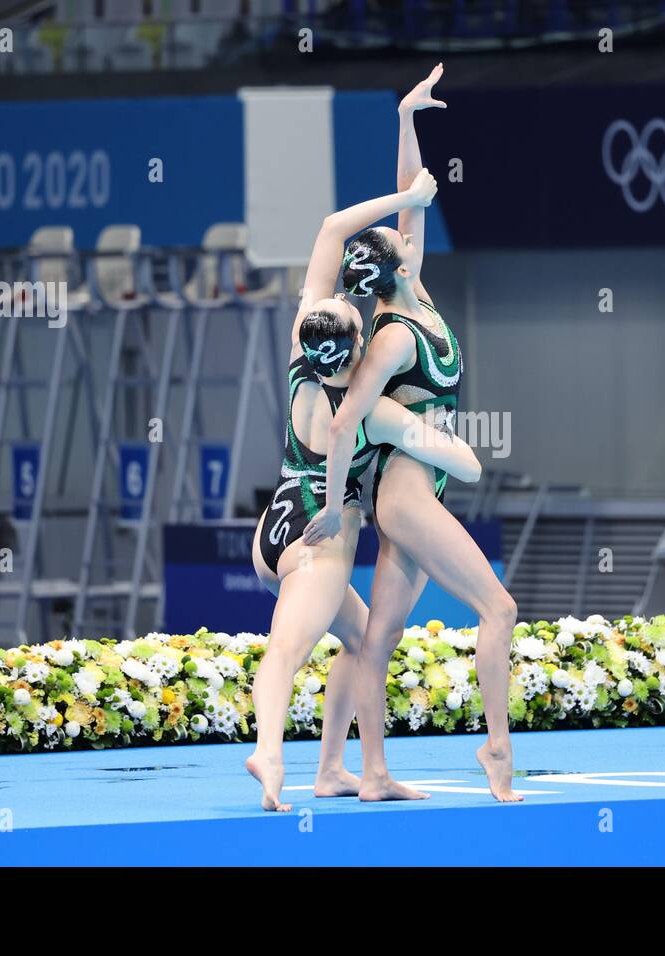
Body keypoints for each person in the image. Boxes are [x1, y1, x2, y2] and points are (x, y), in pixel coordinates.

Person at [302, 64, 522, 803]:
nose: (408, 233)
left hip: (414, 487)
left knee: (377, 640)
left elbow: (412, 193)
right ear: (392, 267)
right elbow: (341, 419)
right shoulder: (394, 335)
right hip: (402, 494)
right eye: (399, 239)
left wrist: (405, 118)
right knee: (500, 610)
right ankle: (496, 748)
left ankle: (366, 776)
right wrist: (333, 509)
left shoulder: (414, 288)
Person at [245, 168, 482, 812]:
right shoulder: (365, 404)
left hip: (272, 526)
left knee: (358, 638)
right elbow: (458, 462)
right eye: (356, 313)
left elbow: (329, 231)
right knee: (287, 649)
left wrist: (411, 199)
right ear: (357, 345)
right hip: (319, 535)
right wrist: (427, 443)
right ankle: (270, 750)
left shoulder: (303, 346)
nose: (352, 301)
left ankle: (331, 770)